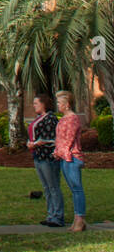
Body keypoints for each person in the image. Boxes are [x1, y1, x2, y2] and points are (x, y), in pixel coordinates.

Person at [28, 92, 63, 228]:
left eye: (36, 103)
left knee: (54, 186)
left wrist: (37, 143)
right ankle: (50, 215)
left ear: (43, 104)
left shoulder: (51, 119)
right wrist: (30, 143)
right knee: (47, 187)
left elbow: (53, 139)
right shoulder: (39, 118)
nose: (34, 106)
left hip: (48, 158)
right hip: (38, 156)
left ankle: (58, 217)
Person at [54, 91, 86, 232]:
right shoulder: (62, 119)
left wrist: (61, 152)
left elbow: (69, 139)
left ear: (67, 105)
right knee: (73, 190)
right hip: (63, 157)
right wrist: (58, 152)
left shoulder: (73, 119)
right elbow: (59, 139)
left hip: (72, 157)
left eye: (60, 103)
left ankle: (80, 219)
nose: (58, 105)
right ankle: (76, 220)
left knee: (77, 189)